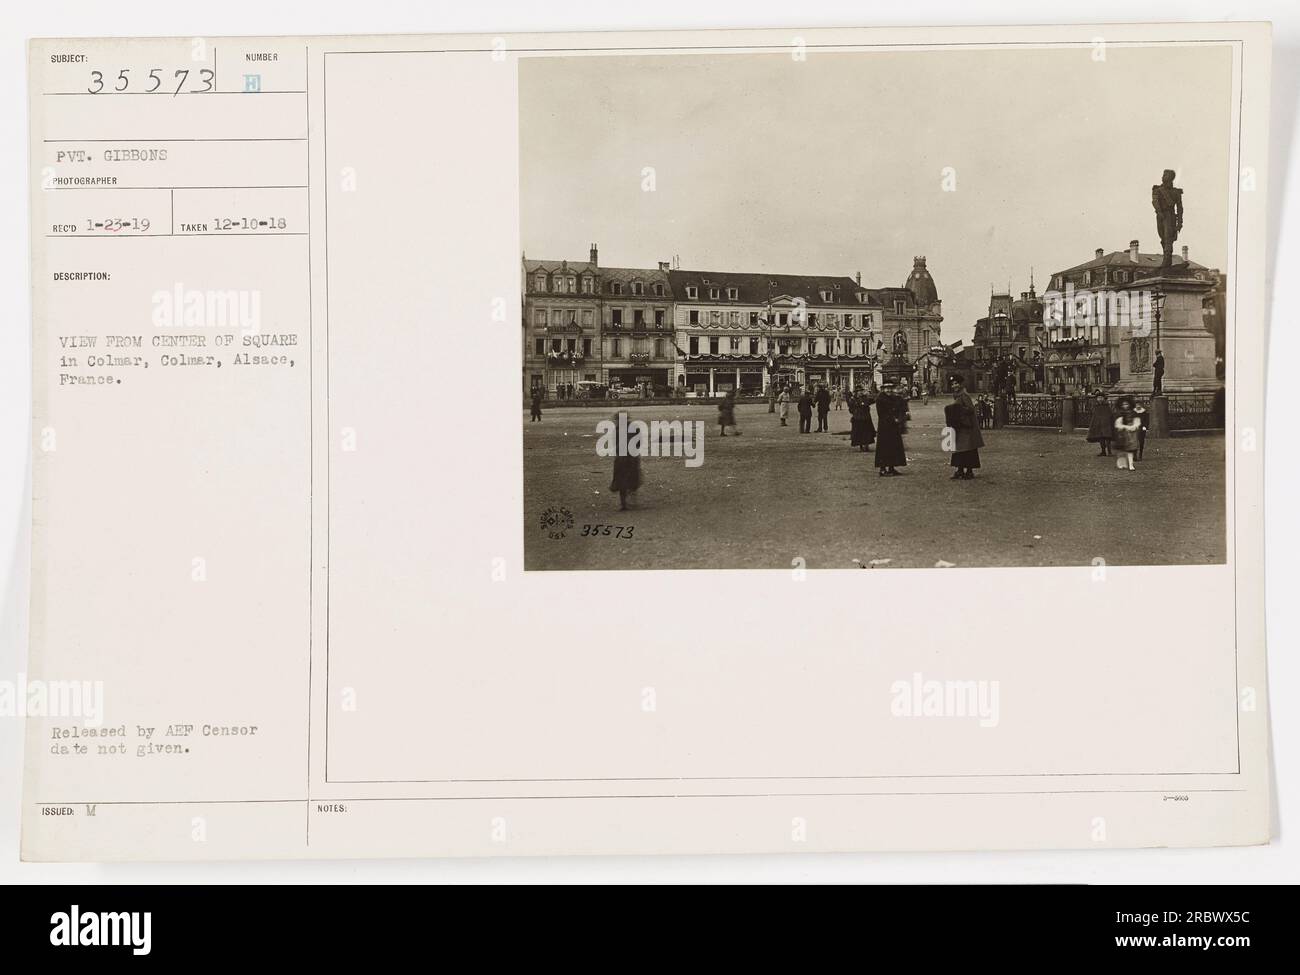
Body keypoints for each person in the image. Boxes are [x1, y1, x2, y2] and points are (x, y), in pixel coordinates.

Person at [944, 374, 984, 479]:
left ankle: (969, 471)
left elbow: (970, 409)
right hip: (961, 426)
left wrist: (958, 409)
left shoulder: (964, 395)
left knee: (968, 449)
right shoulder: (957, 394)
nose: (954, 386)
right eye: (952, 384)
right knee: (960, 449)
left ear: (960, 384)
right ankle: (960, 470)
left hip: (967, 427)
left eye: (956, 383)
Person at [608, 412, 643, 510]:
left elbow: (615, 443)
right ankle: (628, 501)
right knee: (630, 479)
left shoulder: (618, 429)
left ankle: (624, 503)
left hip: (623, 458)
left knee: (622, 480)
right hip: (630, 457)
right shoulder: (633, 428)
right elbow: (639, 442)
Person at [874, 383, 907, 476]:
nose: (889, 390)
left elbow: (901, 407)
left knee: (894, 447)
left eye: (890, 388)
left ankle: (892, 467)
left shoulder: (895, 398)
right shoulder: (880, 399)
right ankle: (882, 469)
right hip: (885, 426)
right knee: (884, 447)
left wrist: (899, 418)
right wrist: (894, 419)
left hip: (894, 427)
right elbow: (882, 414)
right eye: (886, 389)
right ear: (883, 389)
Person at [1112, 397, 1141, 471]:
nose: (1125, 406)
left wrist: (1134, 426)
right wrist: (1124, 427)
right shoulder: (1119, 413)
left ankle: (1131, 465)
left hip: (1131, 433)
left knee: (1130, 449)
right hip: (1122, 433)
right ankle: (1121, 463)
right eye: (1123, 404)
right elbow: (1118, 424)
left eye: (1126, 404)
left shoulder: (1134, 413)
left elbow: (1137, 422)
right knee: (1121, 449)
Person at [1086, 390, 1114, 457]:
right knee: (1101, 438)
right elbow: (1094, 415)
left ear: (1104, 398)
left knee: (1107, 438)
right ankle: (1103, 451)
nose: (1100, 399)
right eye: (1098, 398)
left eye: (1101, 397)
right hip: (1099, 424)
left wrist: (1109, 421)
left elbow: (1110, 414)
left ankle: (1109, 452)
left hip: (1106, 424)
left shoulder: (1107, 406)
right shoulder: (1095, 406)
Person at [849, 388, 876, 452]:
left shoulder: (866, 398)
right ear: (856, 392)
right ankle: (861, 445)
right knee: (859, 432)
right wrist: (854, 413)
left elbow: (873, 400)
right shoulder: (853, 399)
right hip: (857, 418)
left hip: (866, 418)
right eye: (859, 391)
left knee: (867, 432)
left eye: (861, 391)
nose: (860, 392)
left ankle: (866, 445)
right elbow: (851, 408)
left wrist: (870, 394)